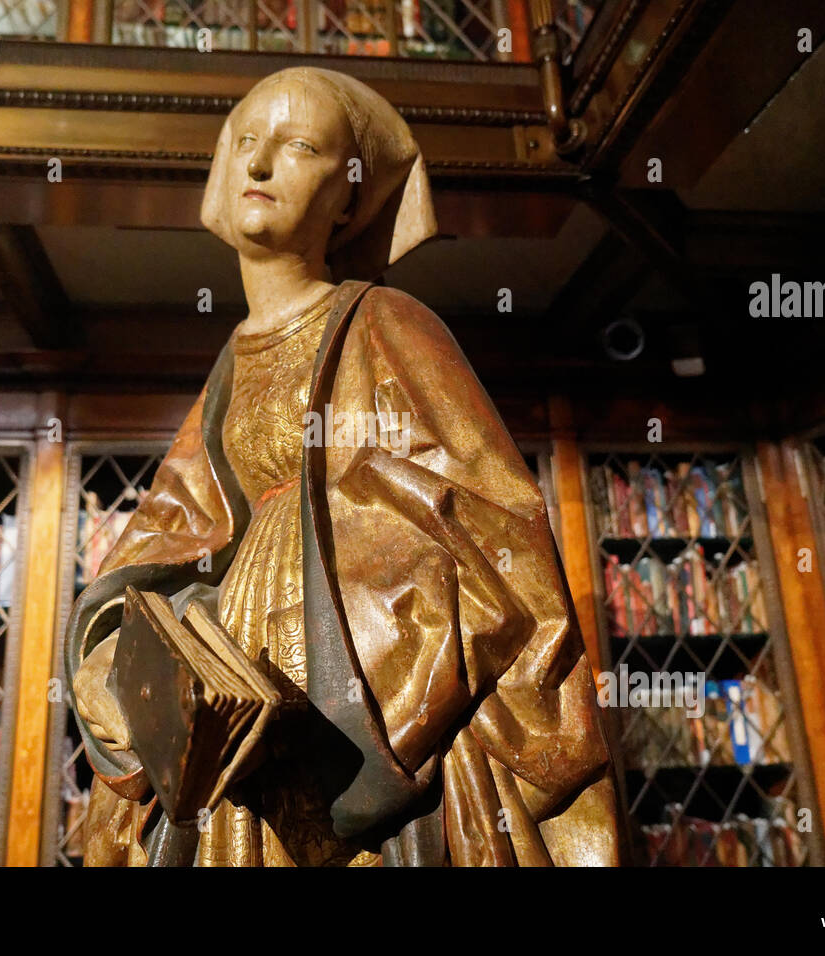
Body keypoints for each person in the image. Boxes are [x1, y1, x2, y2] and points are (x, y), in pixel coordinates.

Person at [66, 66, 619, 866]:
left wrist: (358, 652)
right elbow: (175, 525)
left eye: (297, 147)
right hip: (241, 677)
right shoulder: (233, 358)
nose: (258, 166)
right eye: (247, 142)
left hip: (357, 681)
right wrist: (118, 648)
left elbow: (493, 529)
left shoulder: (389, 322)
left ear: (351, 197)